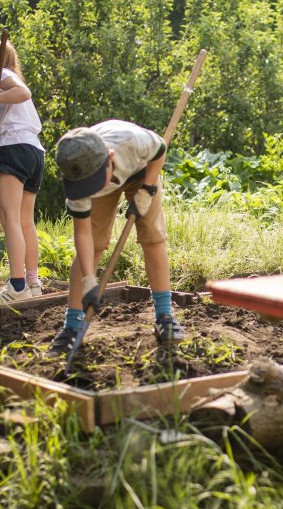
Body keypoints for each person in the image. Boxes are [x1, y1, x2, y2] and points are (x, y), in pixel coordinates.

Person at [48, 120, 183, 357]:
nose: (94, 186)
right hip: (104, 182)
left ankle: (164, 314)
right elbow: (83, 234)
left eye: (96, 179)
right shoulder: (80, 183)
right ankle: (72, 325)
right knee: (94, 247)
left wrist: (148, 189)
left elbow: (160, 150)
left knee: (152, 237)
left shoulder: (131, 140)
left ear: (110, 157)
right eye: (88, 185)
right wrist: (90, 280)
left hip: (142, 170)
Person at [0, 39, 44, 300]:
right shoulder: (8, 77)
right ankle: (33, 284)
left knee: (9, 219)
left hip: (16, 150)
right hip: (33, 151)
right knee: (25, 221)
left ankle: (17, 287)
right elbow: (16, 126)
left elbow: (24, 93)